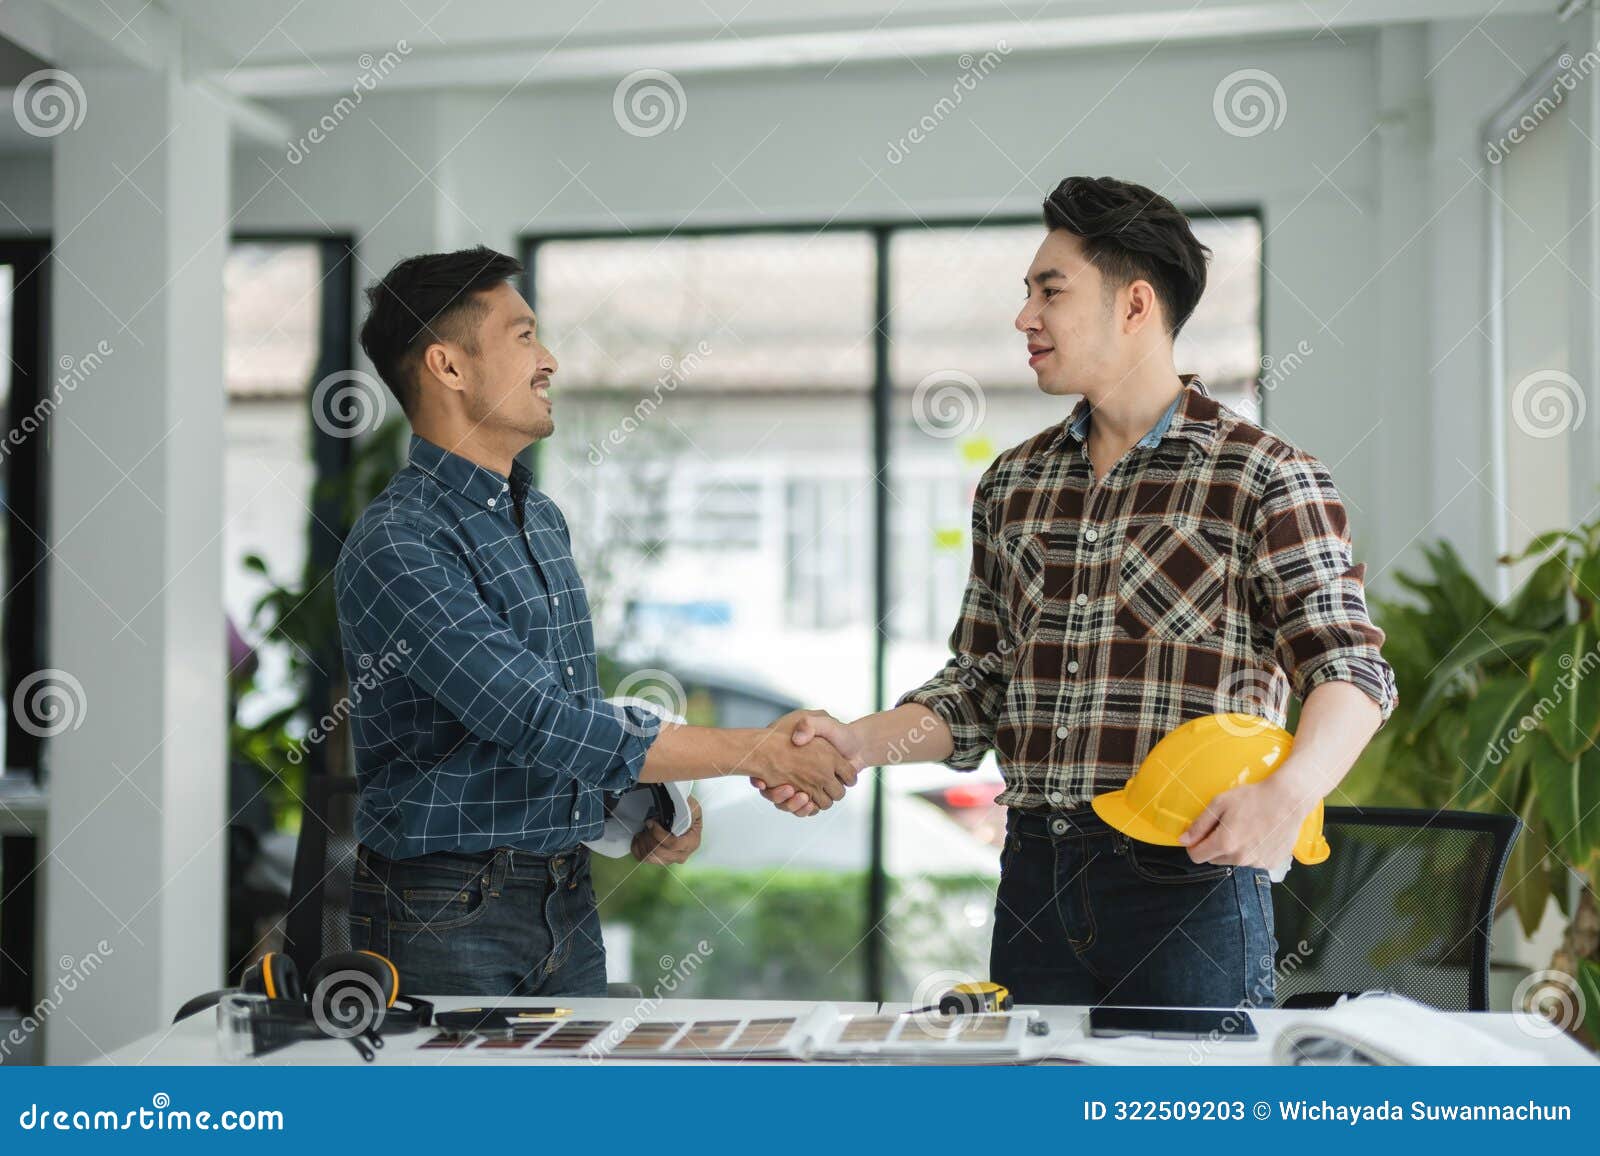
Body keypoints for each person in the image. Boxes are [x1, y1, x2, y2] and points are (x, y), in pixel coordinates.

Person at [757, 176, 1397, 1009]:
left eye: (1049, 291)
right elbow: (978, 687)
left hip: (1188, 884)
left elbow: (1350, 668)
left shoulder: (1264, 477)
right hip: (1034, 879)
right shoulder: (1014, 483)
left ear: (1134, 305)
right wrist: (853, 742)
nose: (1025, 316)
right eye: (1027, 292)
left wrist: (1292, 792)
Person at [335, 246, 856, 997]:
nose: (548, 361)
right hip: (445, 910)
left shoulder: (538, 517)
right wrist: (756, 751)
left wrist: (642, 804)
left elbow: (567, 715)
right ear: (448, 367)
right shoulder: (400, 542)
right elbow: (534, 719)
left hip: (565, 896)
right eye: (522, 336)